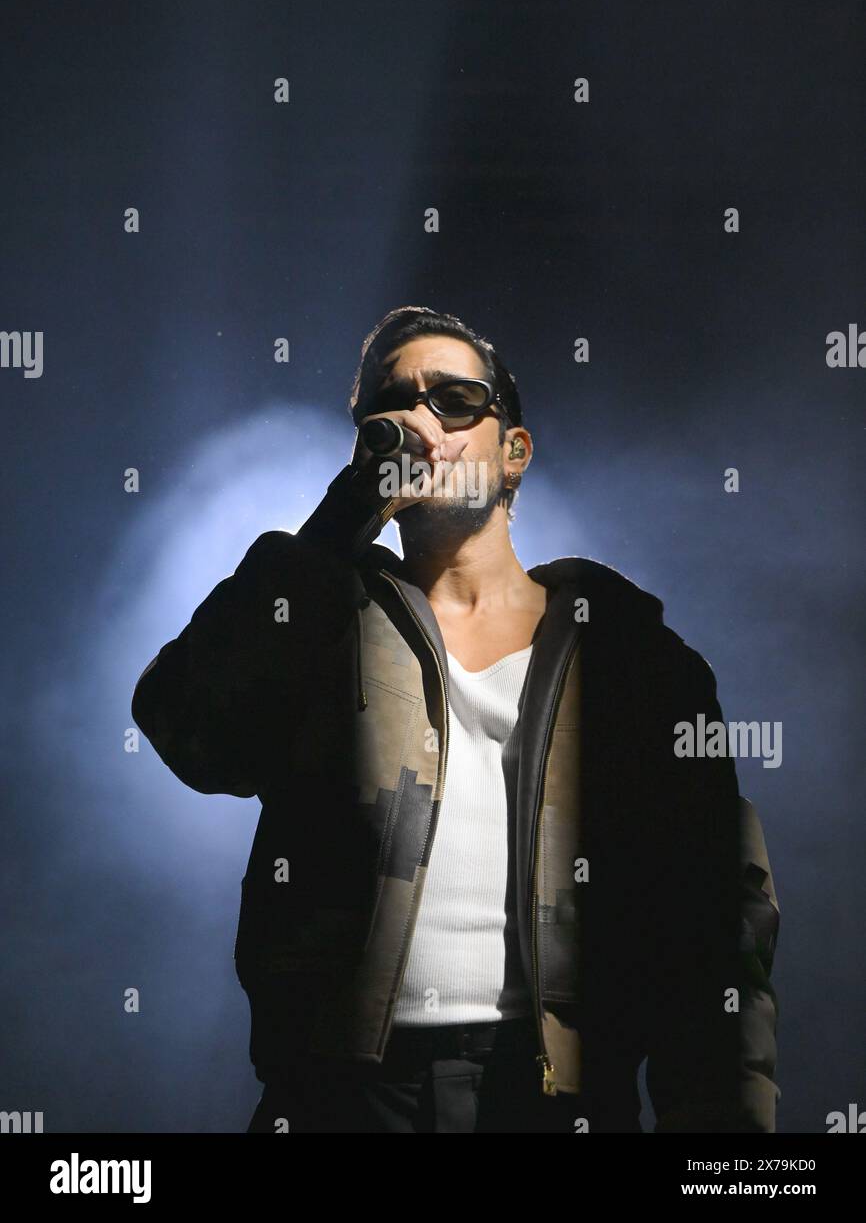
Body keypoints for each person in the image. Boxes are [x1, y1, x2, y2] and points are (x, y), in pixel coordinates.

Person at [131, 305, 780, 1133]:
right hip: (346, 1101)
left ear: (514, 453)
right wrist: (341, 520)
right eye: (391, 405)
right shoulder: (323, 623)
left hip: (558, 1101)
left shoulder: (627, 654)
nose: (418, 420)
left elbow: (718, 921)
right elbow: (190, 728)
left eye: (454, 400)